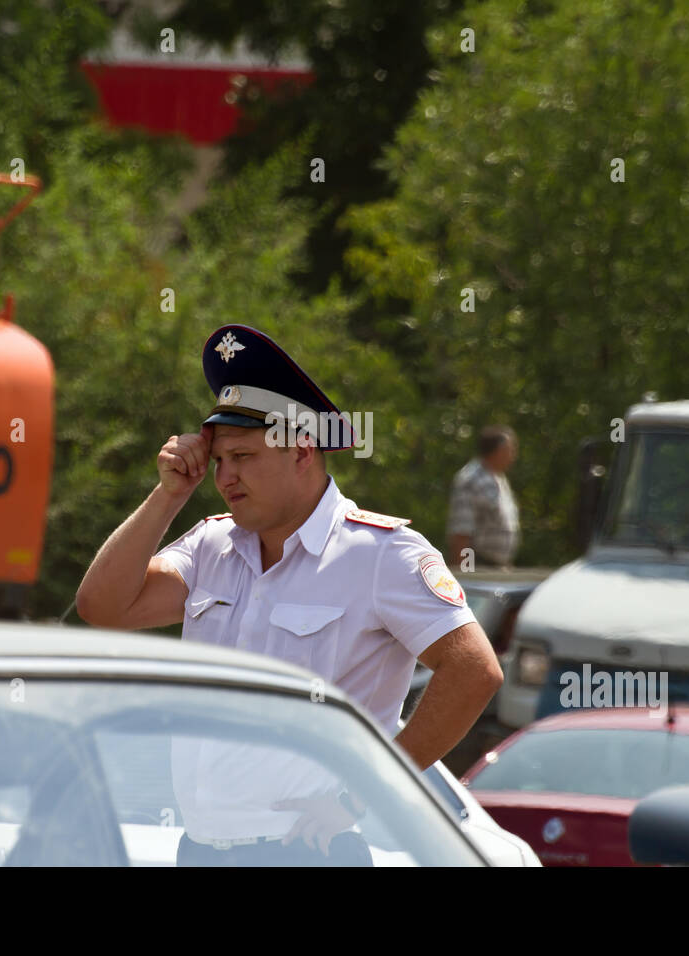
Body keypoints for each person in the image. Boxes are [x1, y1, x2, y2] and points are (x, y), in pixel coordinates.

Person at [76, 325, 503, 866]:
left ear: (302, 450)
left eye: (244, 457)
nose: (226, 477)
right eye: (219, 462)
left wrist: (362, 796)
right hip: (200, 852)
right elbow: (102, 608)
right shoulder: (214, 544)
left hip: (308, 853)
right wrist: (168, 495)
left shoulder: (378, 553)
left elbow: (474, 670)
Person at [447, 425, 521, 570]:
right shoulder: (471, 480)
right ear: (497, 451)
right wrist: (466, 575)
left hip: (498, 567)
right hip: (478, 566)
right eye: (509, 450)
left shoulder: (499, 479)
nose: (513, 456)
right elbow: (461, 533)